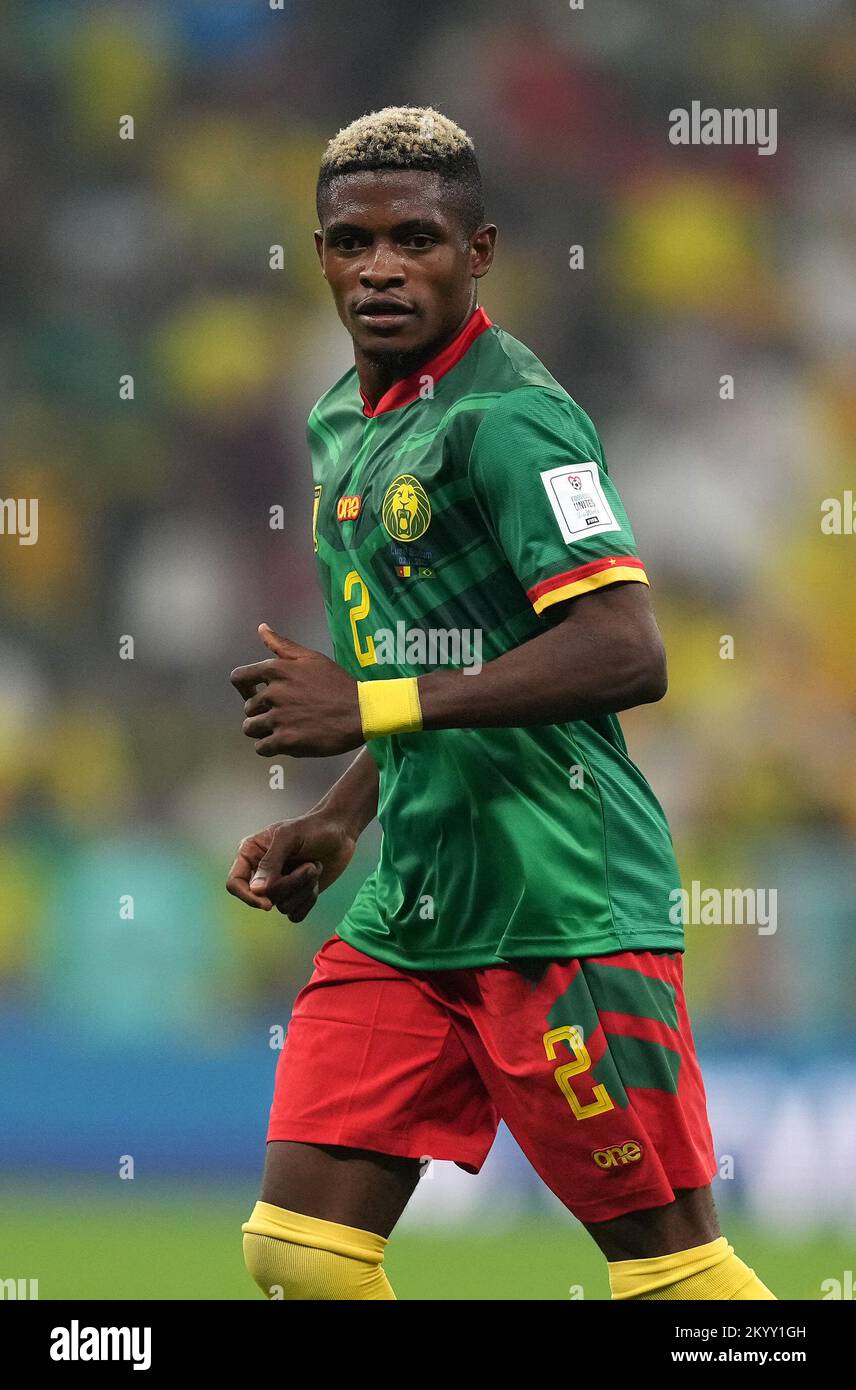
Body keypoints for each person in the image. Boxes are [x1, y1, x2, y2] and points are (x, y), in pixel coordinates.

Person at [227, 106, 775, 1302]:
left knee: (673, 1278)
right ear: (318, 253)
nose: (380, 267)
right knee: (297, 1255)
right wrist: (341, 812)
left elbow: (626, 650)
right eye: (350, 241)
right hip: (417, 908)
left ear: (477, 252)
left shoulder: (511, 419)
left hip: (560, 903)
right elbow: (449, 648)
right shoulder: (341, 421)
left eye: (416, 239)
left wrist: (370, 706)